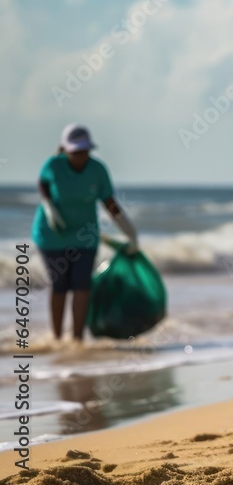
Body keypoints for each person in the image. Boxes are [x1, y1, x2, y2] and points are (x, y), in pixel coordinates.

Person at [32, 124, 139, 342]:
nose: (80, 156)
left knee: (82, 285)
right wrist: (48, 206)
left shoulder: (97, 170)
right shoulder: (54, 165)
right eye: (75, 152)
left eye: (84, 151)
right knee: (60, 284)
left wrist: (130, 233)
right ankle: (57, 337)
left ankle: (77, 339)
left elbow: (109, 203)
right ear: (65, 149)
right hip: (53, 234)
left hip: (85, 236)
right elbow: (43, 184)